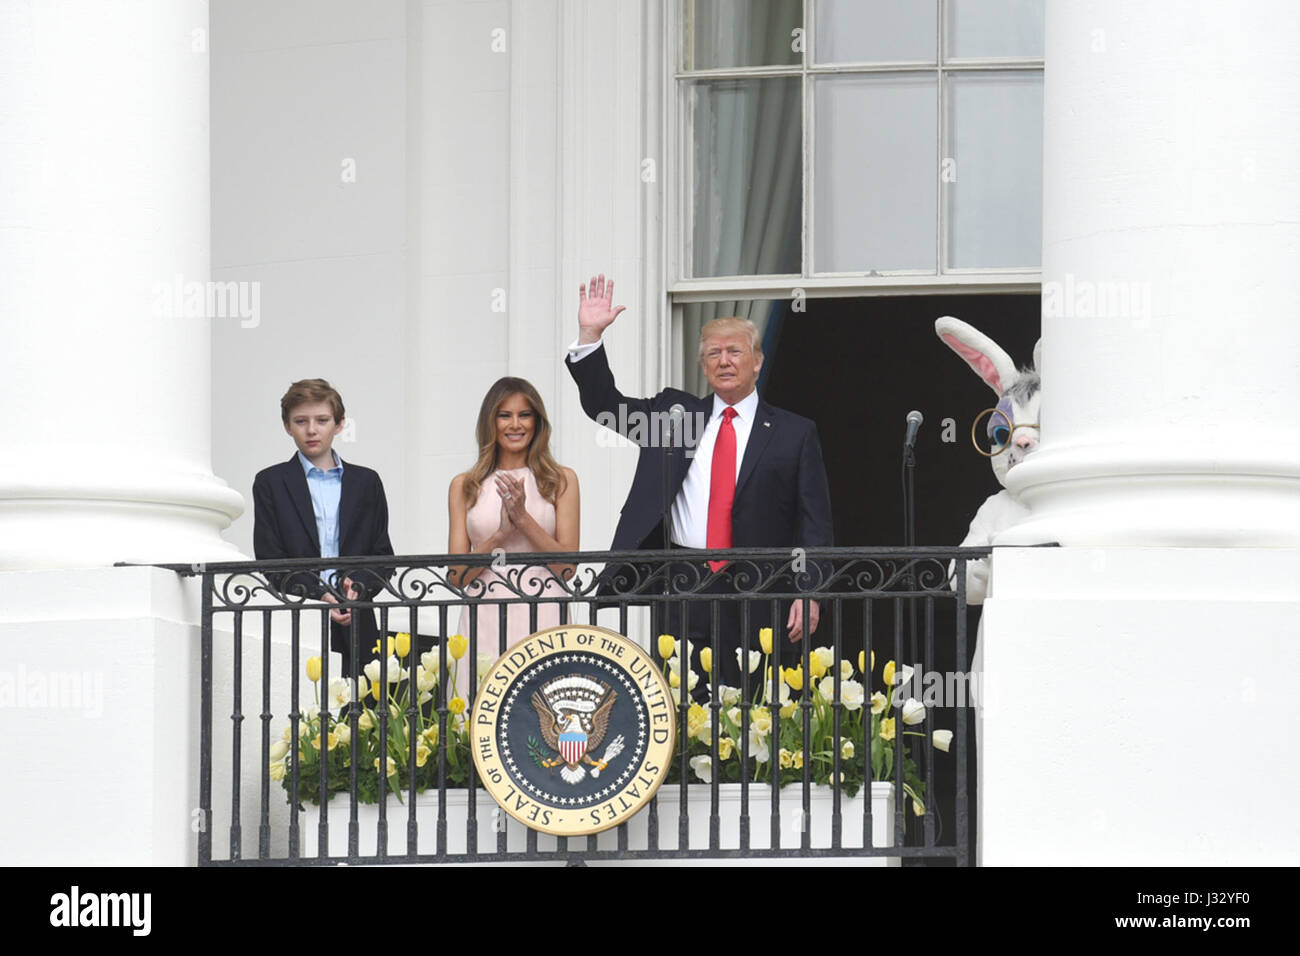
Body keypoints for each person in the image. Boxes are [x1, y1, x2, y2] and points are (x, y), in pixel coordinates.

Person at [565, 274, 833, 689]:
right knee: (680, 700)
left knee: (757, 708)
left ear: (757, 361)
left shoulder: (793, 433)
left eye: (734, 351)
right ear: (703, 365)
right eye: (713, 353)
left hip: (760, 587)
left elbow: (814, 521)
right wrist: (589, 336)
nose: (724, 360)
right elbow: (606, 407)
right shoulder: (676, 416)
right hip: (683, 583)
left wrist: (809, 589)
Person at [252, 379, 395, 679]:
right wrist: (319, 594)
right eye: (301, 421)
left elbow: (382, 556)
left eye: (322, 420)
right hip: (297, 616)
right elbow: (270, 557)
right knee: (302, 714)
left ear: (340, 424)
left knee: (362, 715)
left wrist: (356, 589)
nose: (312, 430)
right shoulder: (270, 483)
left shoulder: (367, 482)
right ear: (287, 426)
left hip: (359, 618)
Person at [447, 378, 579, 700]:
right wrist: (499, 535)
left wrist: (523, 519)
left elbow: (568, 568)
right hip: (486, 612)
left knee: (546, 711)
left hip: (544, 609)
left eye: (525, 415)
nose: (515, 424)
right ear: (490, 422)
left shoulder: (561, 480)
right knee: (479, 712)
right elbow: (456, 576)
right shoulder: (465, 485)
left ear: (538, 422)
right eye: (505, 415)